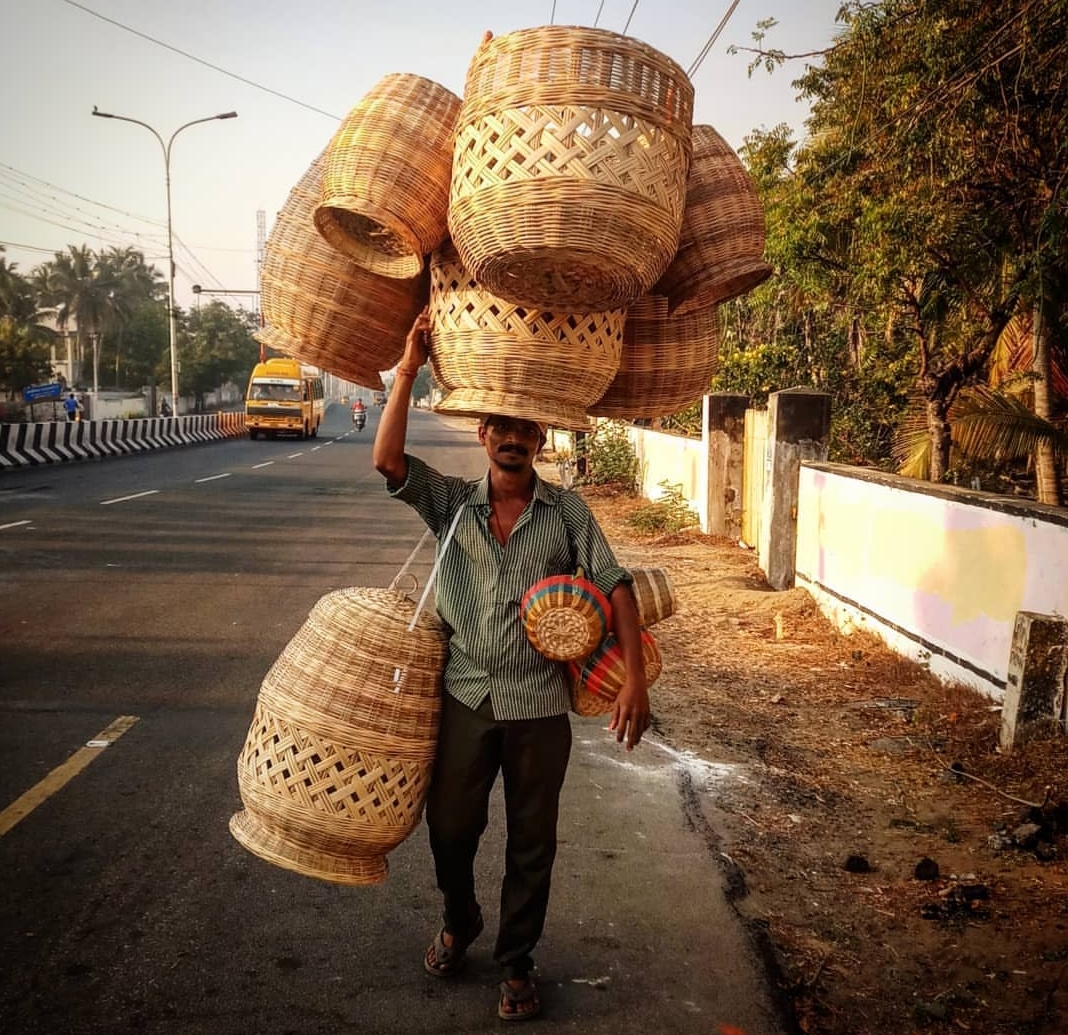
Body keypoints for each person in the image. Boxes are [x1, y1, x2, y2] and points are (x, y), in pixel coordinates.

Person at [372, 309, 650, 1023]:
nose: (514, 439)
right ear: (483, 435)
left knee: (532, 841)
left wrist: (636, 681)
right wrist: (407, 368)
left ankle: (517, 960)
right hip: (466, 697)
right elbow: (388, 463)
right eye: (502, 427)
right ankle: (460, 917)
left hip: (538, 711)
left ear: (541, 438)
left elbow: (616, 584)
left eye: (527, 429)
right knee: (450, 829)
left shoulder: (566, 513)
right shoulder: (454, 507)